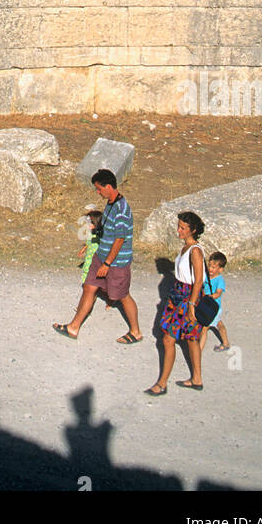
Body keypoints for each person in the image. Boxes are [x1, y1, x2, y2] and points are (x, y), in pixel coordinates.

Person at [53, 169, 142, 344]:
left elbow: (119, 239)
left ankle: (136, 331)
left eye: (99, 189)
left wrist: (107, 264)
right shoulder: (110, 203)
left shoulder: (122, 210)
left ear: (108, 186)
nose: (97, 192)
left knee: (122, 295)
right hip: (101, 255)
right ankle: (73, 327)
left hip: (116, 262)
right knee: (89, 287)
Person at [144, 211, 207, 396]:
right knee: (191, 338)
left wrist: (191, 305)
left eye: (183, 228)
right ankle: (197, 378)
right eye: (178, 226)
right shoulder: (186, 247)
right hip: (178, 295)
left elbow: (198, 281)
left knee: (168, 339)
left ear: (193, 230)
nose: (178, 230)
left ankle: (162, 383)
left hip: (187, 297)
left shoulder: (195, 250)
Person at [199, 253, 231, 352]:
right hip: (206, 306)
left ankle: (198, 351)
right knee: (219, 324)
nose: (210, 269)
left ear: (220, 269)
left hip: (214, 308)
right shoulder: (206, 276)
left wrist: (209, 297)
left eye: (213, 267)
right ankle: (226, 343)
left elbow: (218, 293)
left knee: (204, 328)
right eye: (209, 266)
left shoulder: (220, 280)